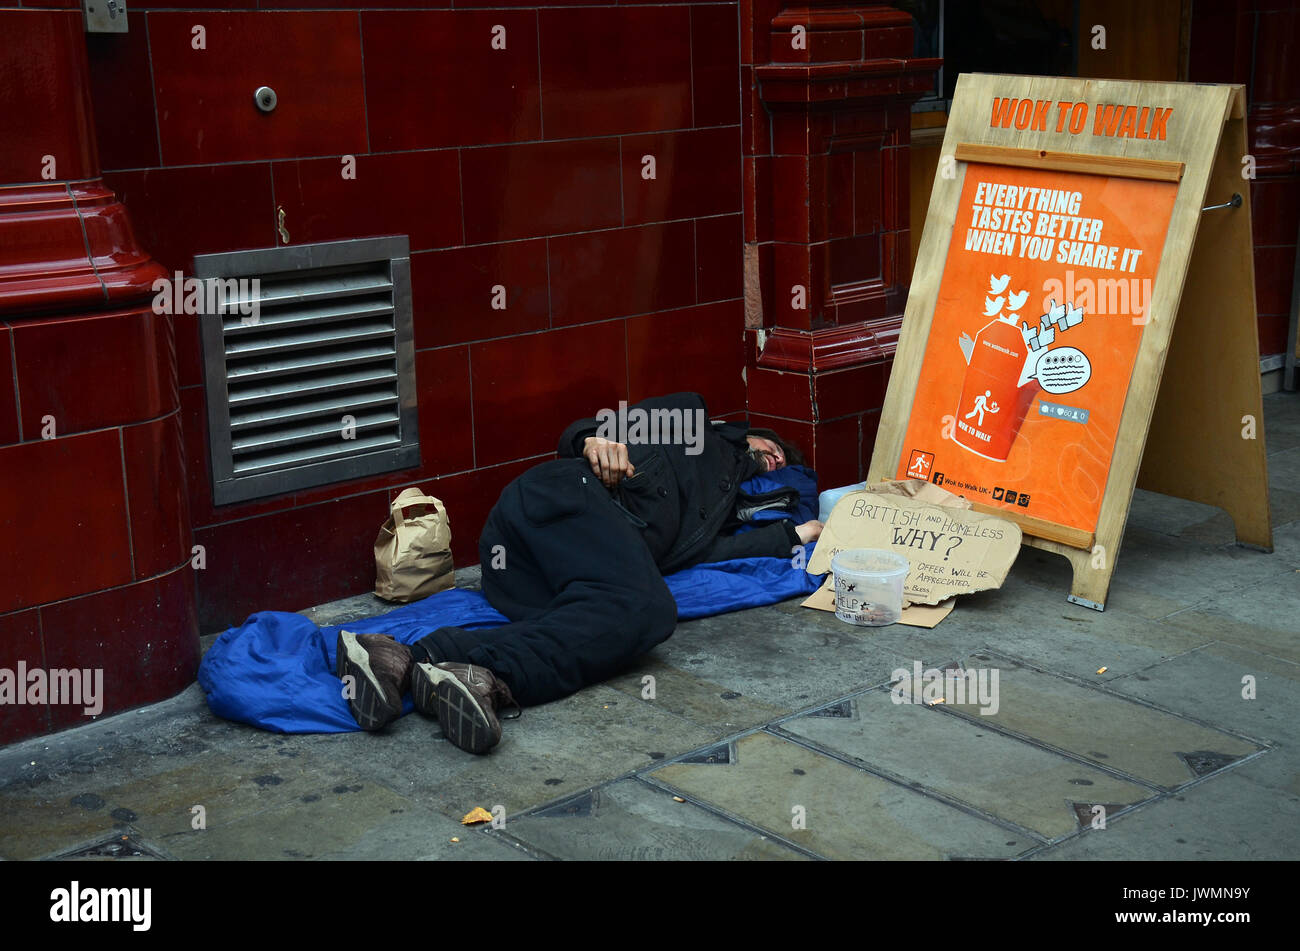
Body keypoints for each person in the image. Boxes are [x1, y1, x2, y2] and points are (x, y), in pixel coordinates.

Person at [336, 392, 821, 754]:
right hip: (562, 497)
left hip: (532, 580)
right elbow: (589, 428)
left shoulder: (717, 510)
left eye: (782, 464)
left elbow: (712, 553)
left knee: (604, 618)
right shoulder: (692, 420)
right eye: (774, 446)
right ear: (748, 432)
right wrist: (592, 440)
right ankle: (492, 674)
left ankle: (407, 658)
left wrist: (797, 535)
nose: (777, 459)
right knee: (649, 611)